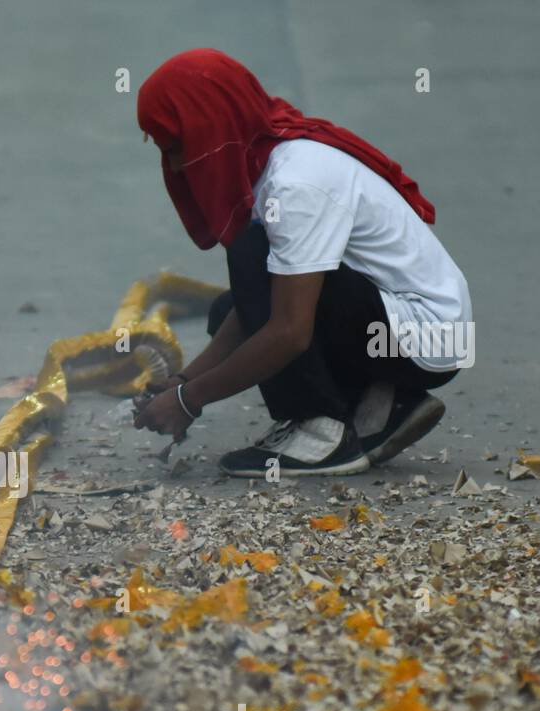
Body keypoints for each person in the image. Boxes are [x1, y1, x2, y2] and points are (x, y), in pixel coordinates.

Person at [132, 49, 471, 476]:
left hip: (426, 339)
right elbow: (251, 309)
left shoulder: (294, 186)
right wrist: (182, 382)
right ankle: (382, 404)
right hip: (405, 328)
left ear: (210, 127)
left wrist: (189, 401)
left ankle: (319, 432)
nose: (177, 165)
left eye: (178, 146)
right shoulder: (265, 155)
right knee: (229, 309)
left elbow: (289, 332)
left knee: (253, 260)